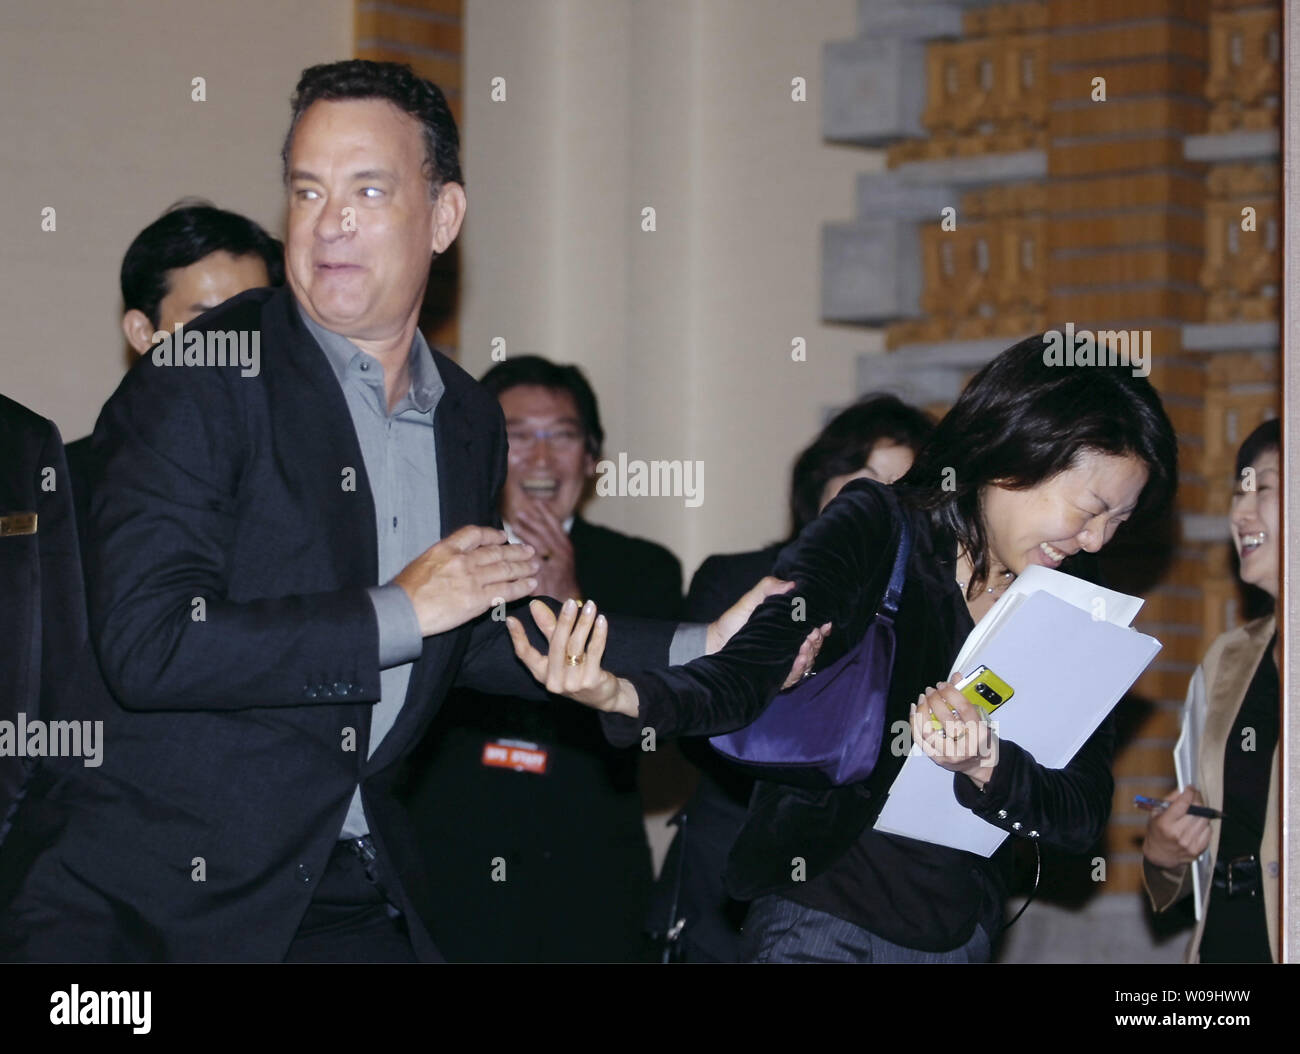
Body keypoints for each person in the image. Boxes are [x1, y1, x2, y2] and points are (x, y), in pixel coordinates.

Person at [0, 60, 818, 964]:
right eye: (308, 190)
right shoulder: (204, 372)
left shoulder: (465, 417)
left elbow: (472, 635)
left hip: (348, 887)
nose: (331, 221)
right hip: (151, 910)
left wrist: (705, 644)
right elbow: (152, 643)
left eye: (369, 189)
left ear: (444, 217)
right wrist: (403, 609)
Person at [509, 333, 1179, 963]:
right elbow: (754, 664)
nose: (1095, 541)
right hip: (823, 921)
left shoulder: (1072, 601)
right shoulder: (879, 526)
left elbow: (1079, 815)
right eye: (1089, 509)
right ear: (1017, 451)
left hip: (959, 935)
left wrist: (988, 762)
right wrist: (625, 692)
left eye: (1117, 522)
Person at [404, 355, 682, 962]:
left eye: (562, 435)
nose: (541, 458)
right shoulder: (437, 557)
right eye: (519, 435)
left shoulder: (645, 568)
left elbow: (653, 722)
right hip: (445, 861)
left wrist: (569, 599)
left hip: (589, 870)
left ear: (591, 457)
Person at [653, 393, 933, 962]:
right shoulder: (738, 577)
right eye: (870, 482)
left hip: (863, 882)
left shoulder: (927, 609)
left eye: (908, 490)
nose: (887, 504)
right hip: (731, 846)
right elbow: (695, 726)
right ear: (821, 485)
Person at [1141, 418, 1281, 962]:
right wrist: (1164, 852)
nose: (1238, 514)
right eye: (1238, 492)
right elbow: (1195, 848)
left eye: (1262, 488)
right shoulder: (1228, 658)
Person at [64, 201, 285, 542]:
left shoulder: (312, 469)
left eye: (253, 318)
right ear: (142, 332)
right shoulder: (62, 484)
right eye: (209, 322)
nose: (236, 341)